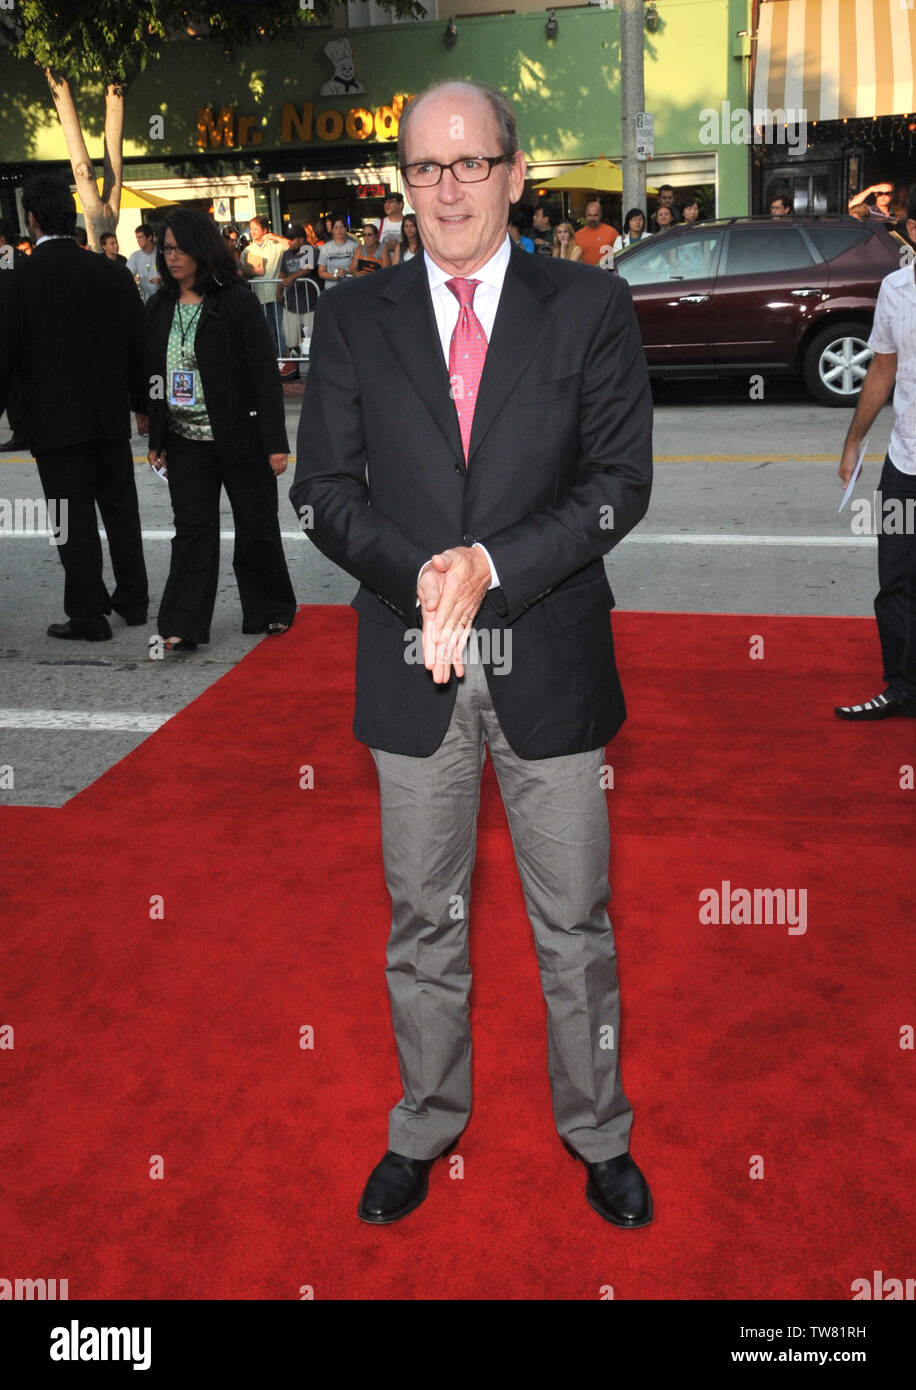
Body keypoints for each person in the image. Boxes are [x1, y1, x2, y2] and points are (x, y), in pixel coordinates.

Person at [290, 78, 654, 1230]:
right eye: (423, 168)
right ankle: (425, 1122)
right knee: (423, 921)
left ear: (514, 171)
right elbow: (322, 494)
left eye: (469, 163)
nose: (446, 189)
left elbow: (617, 487)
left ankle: (597, 1131)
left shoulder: (589, 305)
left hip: (548, 657)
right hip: (410, 663)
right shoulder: (353, 317)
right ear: (404, 182)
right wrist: (424, 575)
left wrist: (488, 562)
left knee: (574, 924)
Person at [0, 174, 148, 639]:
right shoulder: (111, 271)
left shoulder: (19, 279)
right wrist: (144, 404)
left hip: (53, 421)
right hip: (108, 415)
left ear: (31, 218)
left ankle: (87, 614)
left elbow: (5, 355)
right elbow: (137, 345)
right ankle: (134, 599)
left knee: (71, 517)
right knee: (121, 509)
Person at [141, 208, 296, 653]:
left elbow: (264, 374)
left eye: (180, 248)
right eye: (166, 249)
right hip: (185, 440)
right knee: (192, 529)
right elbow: (153, 373)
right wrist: (155, 436)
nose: (172, 257)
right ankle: (183, 624)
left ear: (201, 249)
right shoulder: (159, 305)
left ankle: (270, 609)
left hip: (240, 434)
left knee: (256, 525)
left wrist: (275, 443)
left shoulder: (236, 301)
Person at [835, 186, 916, 721]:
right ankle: (903, 688)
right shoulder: (896, 289)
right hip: (906, 464)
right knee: (897, 583)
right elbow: (882, 368)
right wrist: (855, 439)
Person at [241, 215, 289, 352]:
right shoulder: (247, 250)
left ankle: (283, 360)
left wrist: (275, 236)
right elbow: (244, 272)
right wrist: (253, 271)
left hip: (276, 294)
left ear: (265, 230)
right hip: (259, 296)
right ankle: (272, 360)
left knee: (281, 329)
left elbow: (292, 246)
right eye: (251, 229)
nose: (253, 232)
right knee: (267, 331)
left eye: (256, 229)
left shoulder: (276, 245)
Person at [279, 225, 318, 351]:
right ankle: (292, 369)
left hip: (309, 304)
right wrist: (278, 290)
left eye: (292, 240)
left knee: (315, 341)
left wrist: (292, 278)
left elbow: (307, 269)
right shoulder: (286, 254)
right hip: (291, 303)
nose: (289, 243)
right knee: (291, 342)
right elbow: (282, 273)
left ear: (301, 240)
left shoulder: (309, 250)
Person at [317, 215, 359, 287]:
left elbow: (358, 267)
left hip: (351, 286)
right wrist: (335, 276)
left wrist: (346, 271)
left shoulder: (355, 246)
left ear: (346, 229)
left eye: (341, 227)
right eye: (336, 228)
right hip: (331, 288)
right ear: (332, 230)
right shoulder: (325, 247)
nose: (339, 230)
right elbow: (321, 272)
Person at [574, 200, 618, 266]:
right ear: (585, 214)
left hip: (607, 274)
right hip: (585, 274)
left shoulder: (611, 232)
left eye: (595, 215)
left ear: (601, 215)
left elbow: (619, 255)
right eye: (589, 215)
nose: (592, 218)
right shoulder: (577, 235)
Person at [126, 224, 160, 301]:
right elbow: (126, 274)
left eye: (140, 237)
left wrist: (161, 281)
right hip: (146, 301)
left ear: (149, 238)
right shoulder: (135, 256)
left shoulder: (161, 253)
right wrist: (132, 278)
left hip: (164, 297)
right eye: (137, 238)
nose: (138, 240)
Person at [376, 191, 405, 258]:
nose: (387, 205)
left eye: (391, 202)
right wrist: (386, 247)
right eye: (385, 202)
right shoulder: (378, 224)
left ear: (400, 204)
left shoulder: (409, 223)